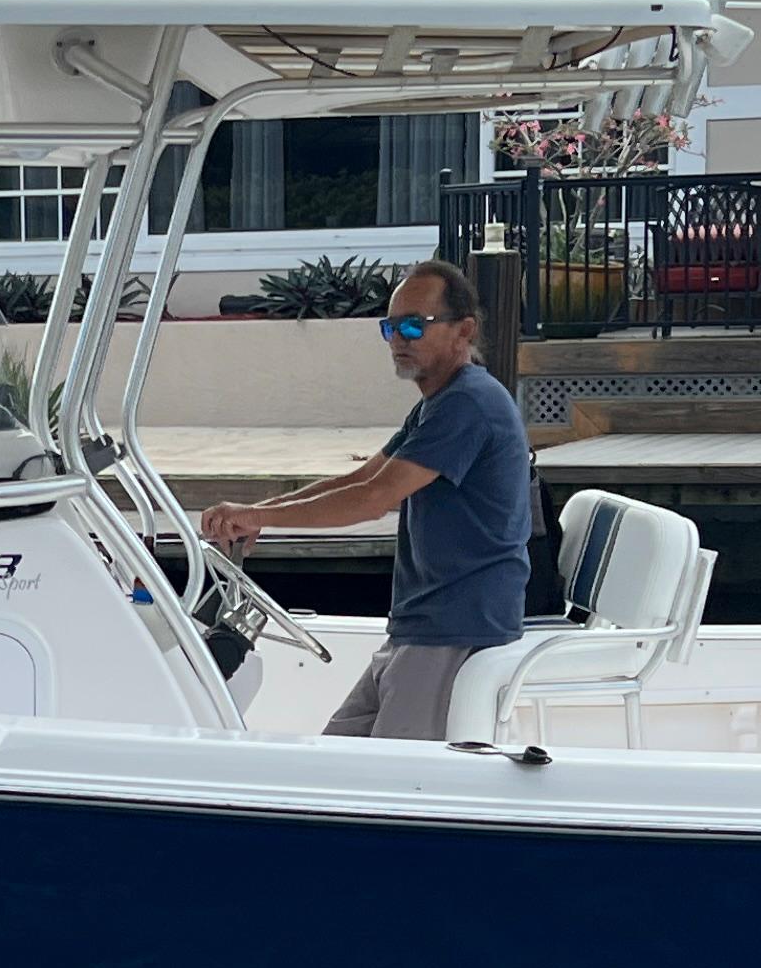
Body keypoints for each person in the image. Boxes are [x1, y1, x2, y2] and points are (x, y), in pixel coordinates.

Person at [197, 258, 532, 739]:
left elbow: (374, 499)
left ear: (464, 331)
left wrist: (258, 514)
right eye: (391, 326)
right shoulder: (439, 403)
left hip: (455, 631)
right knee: (338, 757)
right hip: (418, 628)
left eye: (415, 325)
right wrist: (259, 515)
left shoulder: (469, 403)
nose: (400, 338)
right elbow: (362, 477)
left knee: (394, 785)